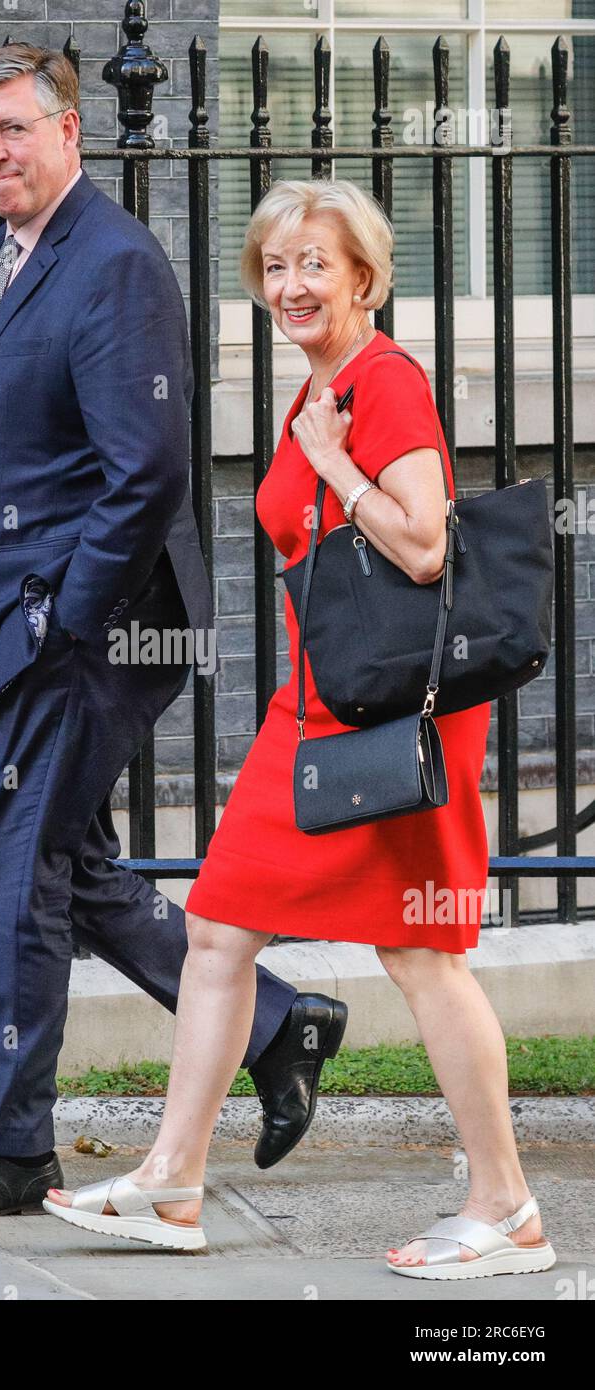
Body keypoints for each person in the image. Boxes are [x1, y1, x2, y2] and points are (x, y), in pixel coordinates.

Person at [45, 178, 557, 1281]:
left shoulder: (382, 385)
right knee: (219, 929)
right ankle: (172, 1182)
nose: (290, 286)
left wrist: (333, 463)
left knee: (421, 952)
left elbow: (424, 546)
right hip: (314, 708)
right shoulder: (316, 391)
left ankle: (507, 1207)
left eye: (313, 264)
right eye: (274, 268)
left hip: (394, 718)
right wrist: (316, 447)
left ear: (363, 277)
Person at [0, 45, 348, 1219]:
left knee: (3, 870)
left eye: (13, 131)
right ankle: (281, 1023)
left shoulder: (114, 262)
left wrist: (61, 627)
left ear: (70, 131)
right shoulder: (5, 255)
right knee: (66, 867)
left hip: (88, 631)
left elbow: (144, 477)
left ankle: (12, 1148)